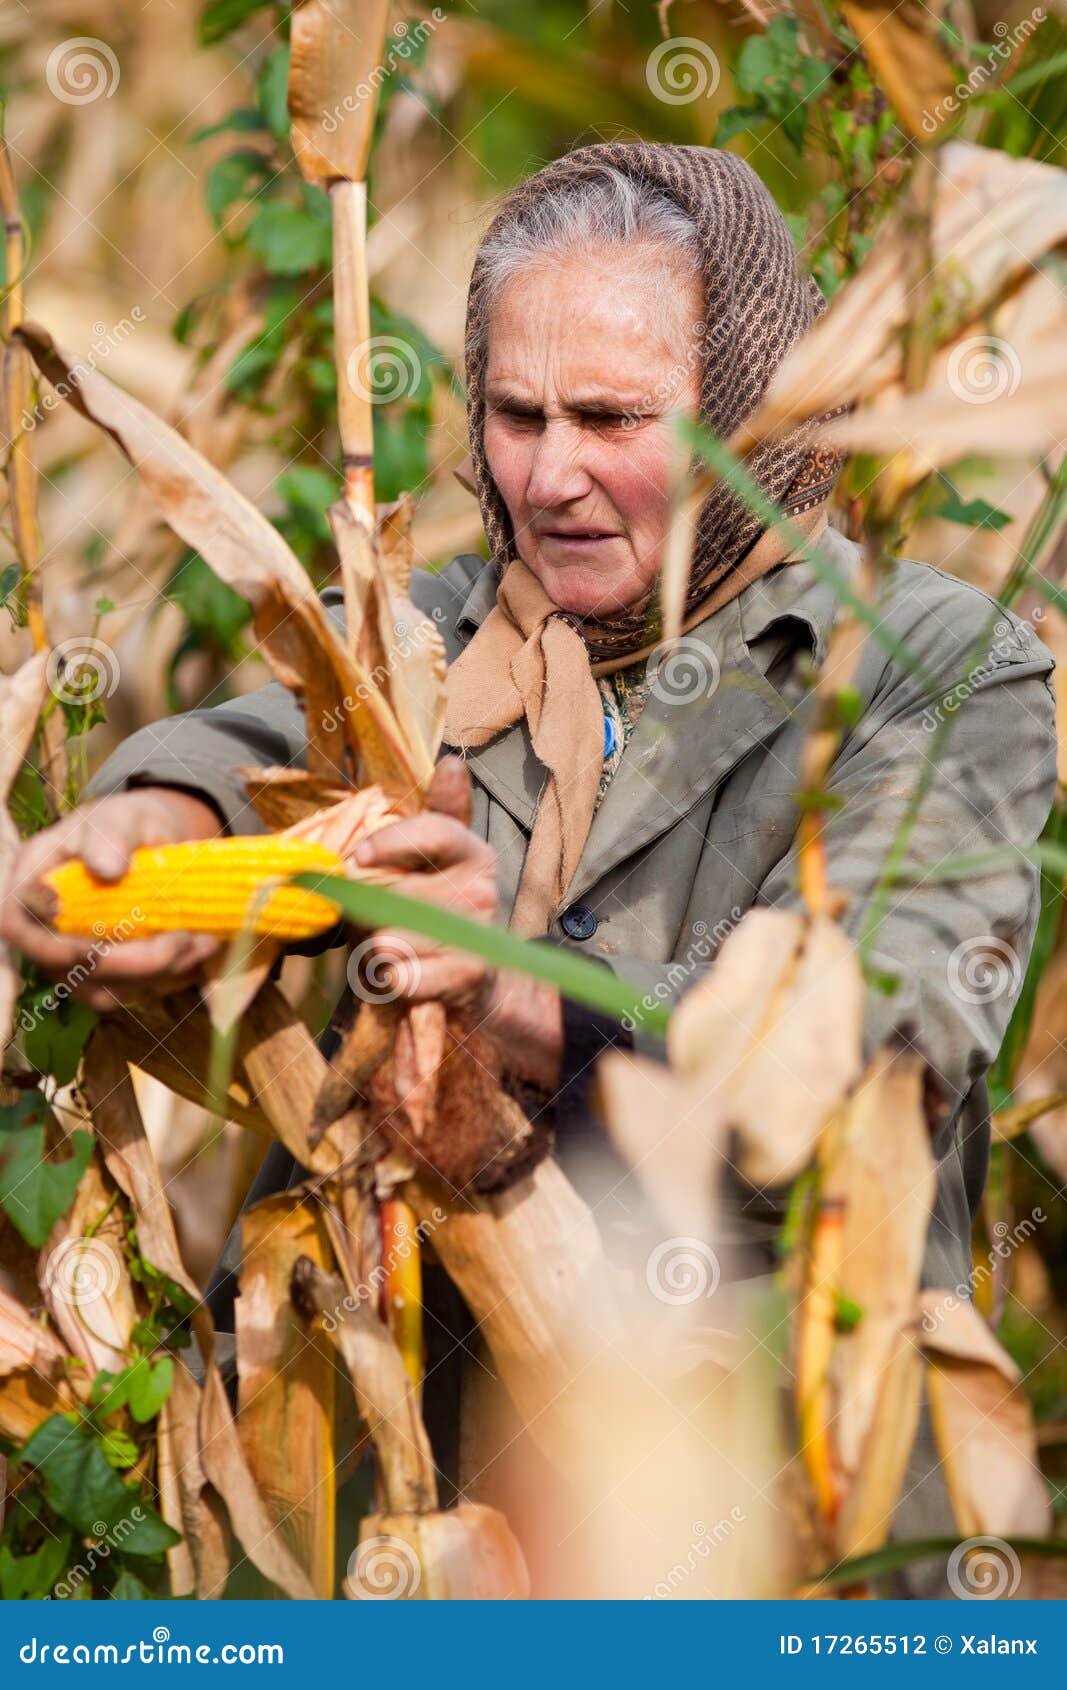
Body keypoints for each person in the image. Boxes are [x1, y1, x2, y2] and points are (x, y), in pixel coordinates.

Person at [1, 143, 1057, 1594]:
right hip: (447, 1513)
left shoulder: (931, 670)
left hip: (778, 1502)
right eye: (517, 414)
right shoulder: (436, 635)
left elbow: (887, 1038)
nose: (550, 473)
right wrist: (152, 837)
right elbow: (251, 744)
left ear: (755, 415)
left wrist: (518, 993)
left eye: (613, 418)